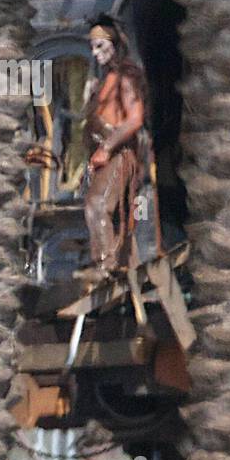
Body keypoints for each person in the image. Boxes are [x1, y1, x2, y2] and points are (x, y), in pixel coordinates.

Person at [79, 16, 146, 282]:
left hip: (119, 154)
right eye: (92, 48)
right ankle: (127, 266)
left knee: (97, 205)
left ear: (115, 46)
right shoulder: (107, 79)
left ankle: (105, 266)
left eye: (100, 47)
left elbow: (134, 118)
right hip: (104, 154)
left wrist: (107, 147)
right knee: (106, 209)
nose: (95, 54)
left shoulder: (126, 76)